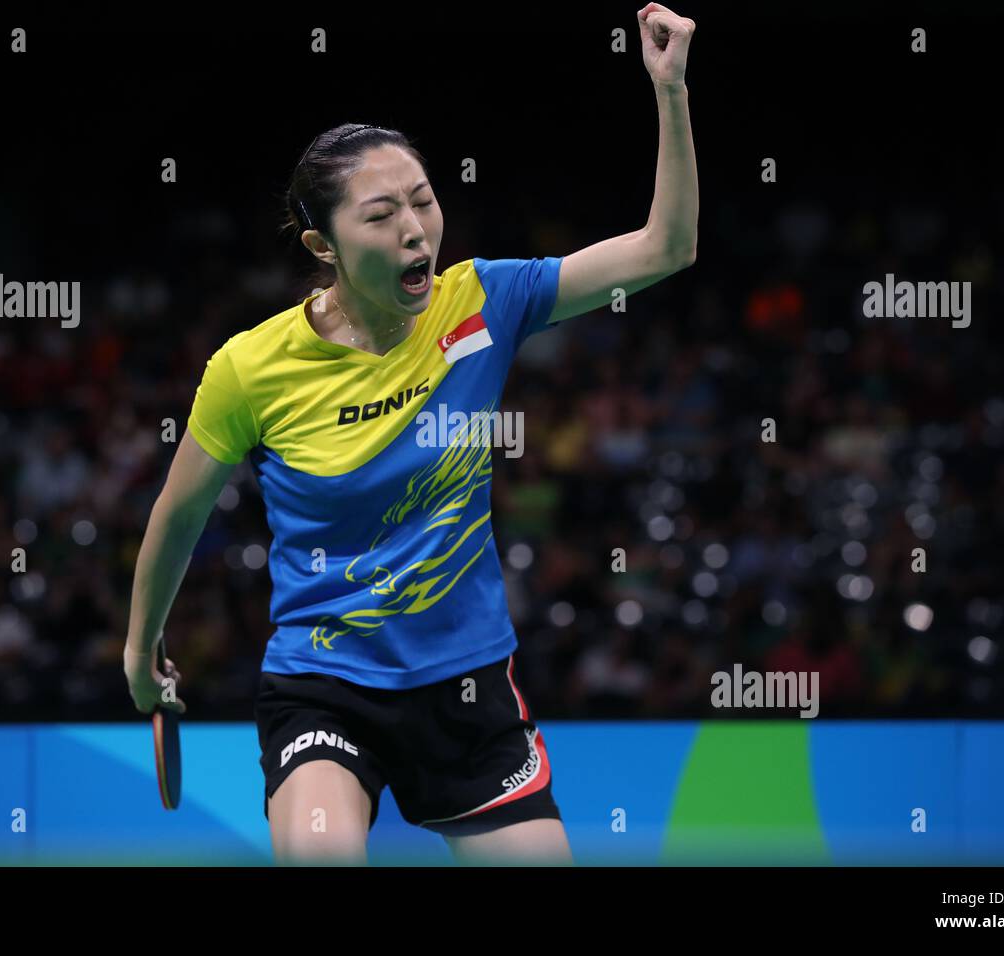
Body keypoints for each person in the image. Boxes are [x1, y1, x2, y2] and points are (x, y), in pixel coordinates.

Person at [125, 3, 699, 865]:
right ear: (322, 244)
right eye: (383, 213)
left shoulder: (483, 302)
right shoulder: (251, 368)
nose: (415, 229)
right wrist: (142, 650)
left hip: (466, 687)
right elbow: (177, 516)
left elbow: (666, 247)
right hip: (324, 684)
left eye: (424, 202)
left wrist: (671, 90)